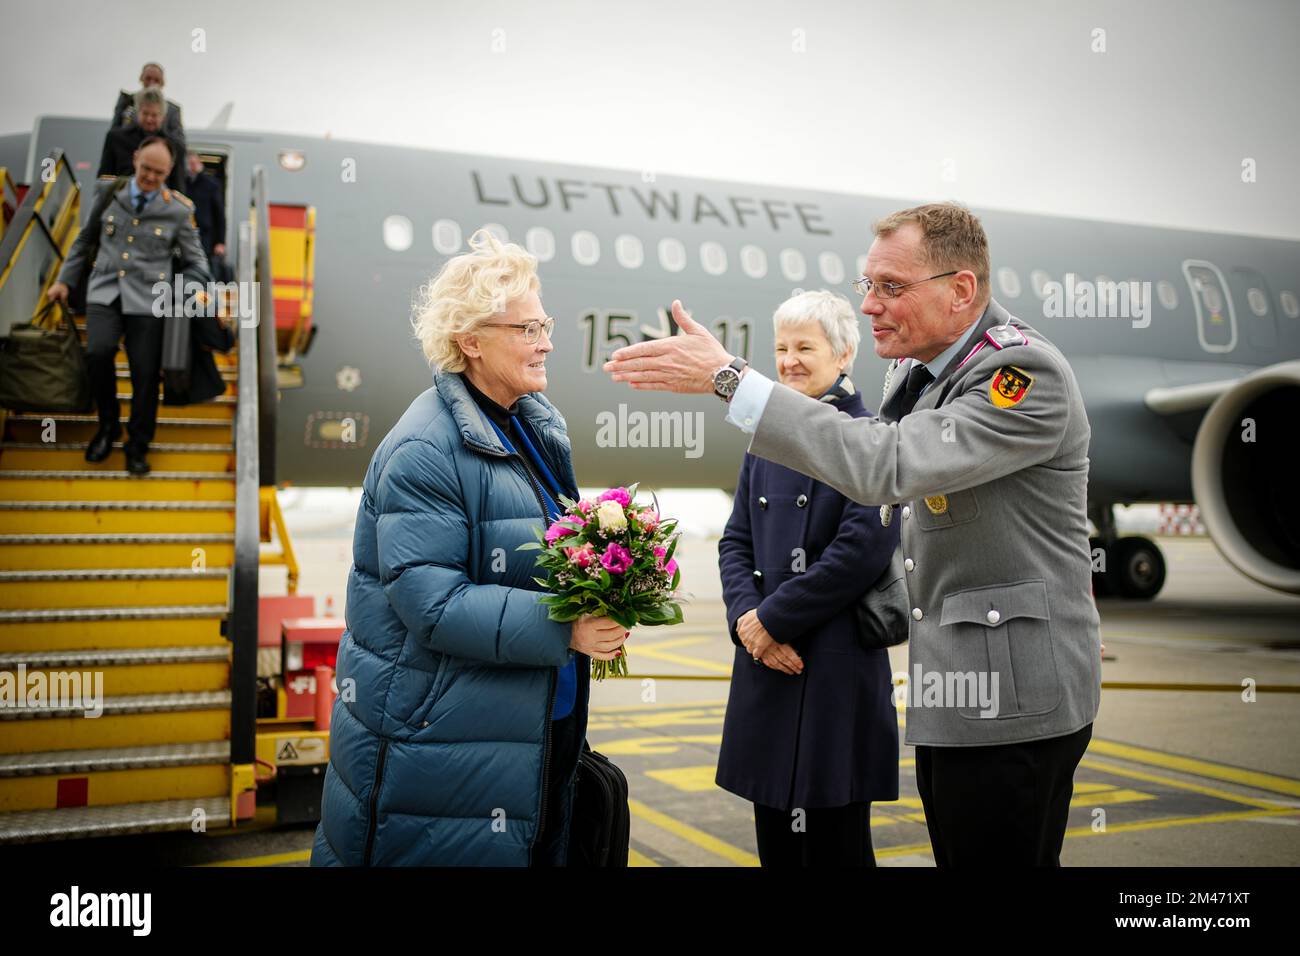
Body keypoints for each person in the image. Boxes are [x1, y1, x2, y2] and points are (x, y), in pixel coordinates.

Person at [604, 201, 1102, 867]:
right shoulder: (921, 373)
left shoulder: (1019, 375)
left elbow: (885, 466)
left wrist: (733, 382)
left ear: (961, 290)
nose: (870, 305)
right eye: (867, 285)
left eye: (892, 288)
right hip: (956, 692)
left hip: (1013, 704)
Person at [311, 229, 627, 866]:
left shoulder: (530, 425)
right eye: (527, 328)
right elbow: (430, 603)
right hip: (445, 741)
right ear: (471, 340)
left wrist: (610, 577)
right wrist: (565, 629)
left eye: (546, 323)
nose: (547, 341)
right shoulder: (426, 448)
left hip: (526, 732)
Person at [716, 290, 899, 867]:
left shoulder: (869, 436)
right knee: (777, 842)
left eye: (804, 347)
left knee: (836, 845)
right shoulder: (767, 438)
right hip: (768, 664)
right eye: (780, 348)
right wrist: (749, 625)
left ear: (844, 354)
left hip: (831, 668)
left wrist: (772, 619)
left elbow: (862, 549)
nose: (789, 360)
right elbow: (735, 541)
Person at [47, 136, 211, 476]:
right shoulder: (107, 192)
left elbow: (198, 264)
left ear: (169, 173)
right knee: (98, 353)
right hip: (104, 291)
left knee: (145, 375)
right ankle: (108, 427)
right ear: (135, 159)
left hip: (149, 301)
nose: (151, 177)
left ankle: (138, 444)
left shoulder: (179, 210)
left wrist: (188, 291)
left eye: (159, 173)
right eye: (146, 169)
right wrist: (64, 281)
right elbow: (84, 240)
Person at [99, 88, 186, 192]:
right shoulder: (116, 139)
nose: (149, 119)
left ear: (163, 117)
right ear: (137, 112)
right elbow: (103, 181)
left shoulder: (175, 147)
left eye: (154, 115)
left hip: (159, 205)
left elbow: (178, 187)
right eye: (145, 113)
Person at [111, 62, 185, 140]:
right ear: (141, 79)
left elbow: (178, 141)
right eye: (148, 78)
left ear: (162, 83)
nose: (151, 83)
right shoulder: (127, 102)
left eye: (156, 80)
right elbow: (114, 132)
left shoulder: (173, 110)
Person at [184, 151, 226, 271]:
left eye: (195, 163)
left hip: (206, 236)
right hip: (186, 231)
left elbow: (220, 215)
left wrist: (220, 242)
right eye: (190, 163)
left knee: (204, 268)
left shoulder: (211, 184)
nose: (193, 166)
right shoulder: (182, 183)